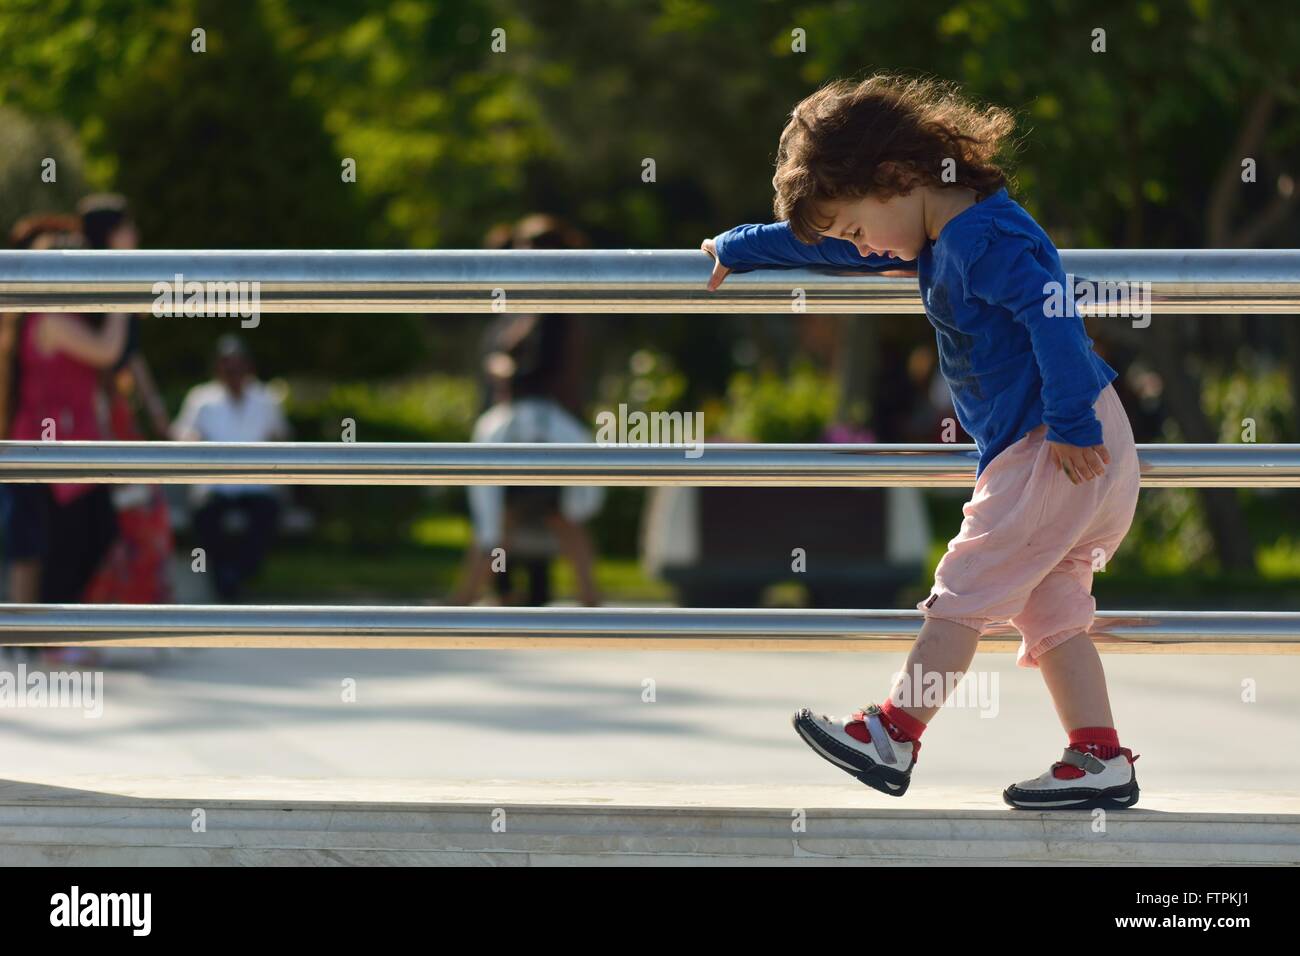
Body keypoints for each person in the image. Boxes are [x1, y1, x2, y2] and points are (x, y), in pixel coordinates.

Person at [701, 74, 1142, 811]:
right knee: (1051, 609)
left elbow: (1053, 310)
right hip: (1076, 445)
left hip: (1052, 443)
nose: (863, 244)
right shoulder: (947, 231)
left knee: (961, 593)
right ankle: (1099, 757)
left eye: (856, 224)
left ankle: (896, 732)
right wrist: (745, 245)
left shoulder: (975, 237)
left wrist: (1068, 422)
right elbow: (844, 254)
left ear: (897, 177)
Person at [452, 313, 604, 607]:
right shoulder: (537, 318)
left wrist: (502, 368)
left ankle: (464, 598)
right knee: (554, 519)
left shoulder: (552, 320)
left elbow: (541, 373)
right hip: (539, 429)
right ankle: (589, 597)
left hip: (534, 431)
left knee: (511, 519)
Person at [76, 193, 175, 606]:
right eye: (127, 228)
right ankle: (101, 608)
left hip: (119, 412)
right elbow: (101, 355)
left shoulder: (126, 279)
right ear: (110, 235)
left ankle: (138, 605)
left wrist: (156, 414)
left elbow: (132, 358)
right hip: (94, 413)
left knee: (140, 510)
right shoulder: (88, 281)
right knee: (118, 512)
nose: (136, 235)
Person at [171, 336, 289, 601]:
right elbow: (182, 434)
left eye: (238, 366)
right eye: (227, 366)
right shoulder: (201, 399)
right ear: (218, 369)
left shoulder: (266, 399)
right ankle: (224, 576)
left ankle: (239, 572)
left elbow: (281, 437)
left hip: (256, 487)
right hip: (216, 486)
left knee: (267, 514)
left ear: (248, 367)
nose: (233, 373)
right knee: (206, 516)